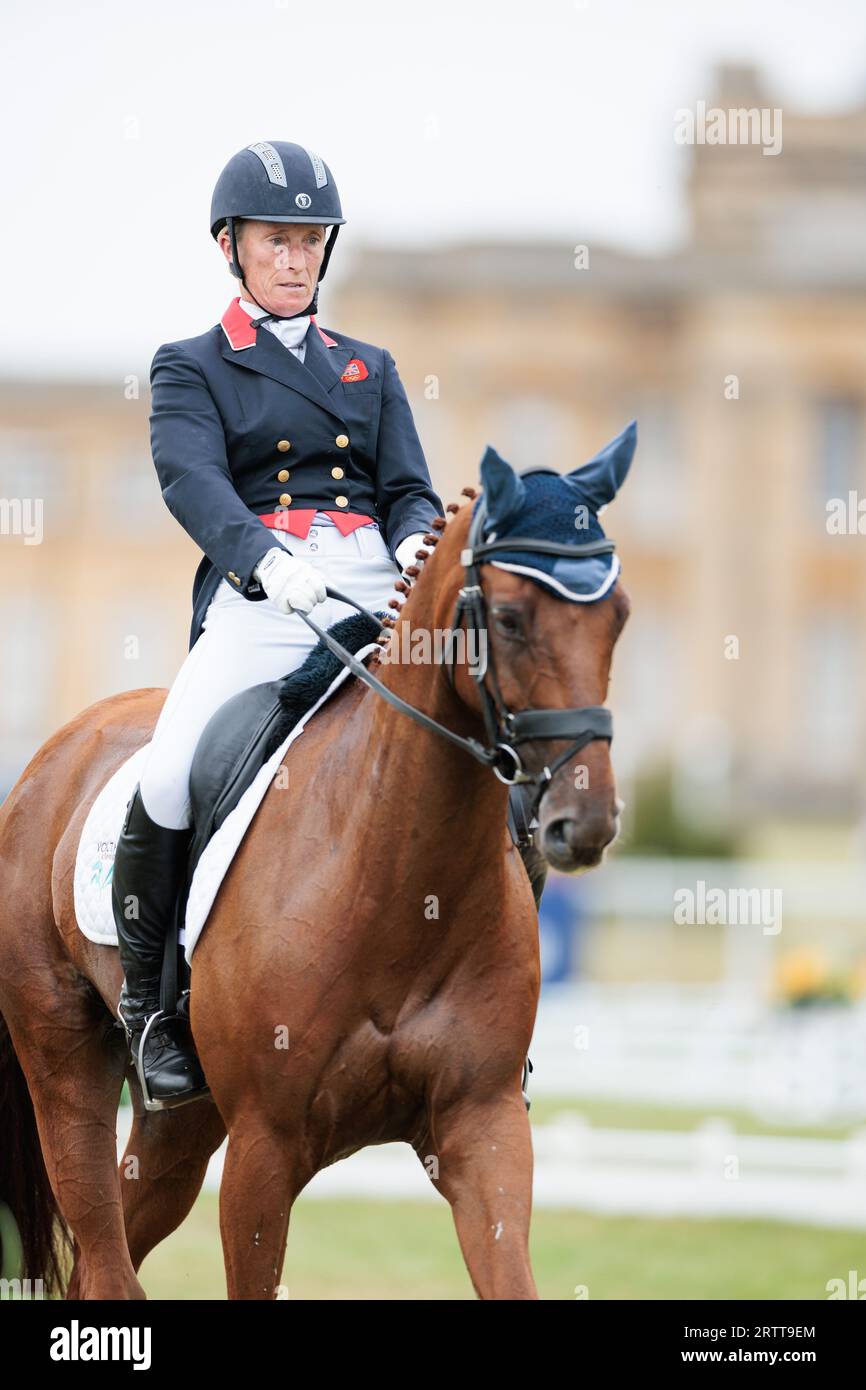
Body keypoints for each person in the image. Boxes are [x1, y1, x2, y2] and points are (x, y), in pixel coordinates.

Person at [112, 141, 444, 1107]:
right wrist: (265, 561)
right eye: (276, 240)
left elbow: (410, 490)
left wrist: (419, 545)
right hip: (268, 595)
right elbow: (193, 483)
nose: (295, 258)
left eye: (310, 241)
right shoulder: (192, 366)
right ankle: (151, 1008)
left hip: (372, 590)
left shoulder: (369, 368)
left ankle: (487, 998)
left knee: (479, 736)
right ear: (234, 246)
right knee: (171, 770)